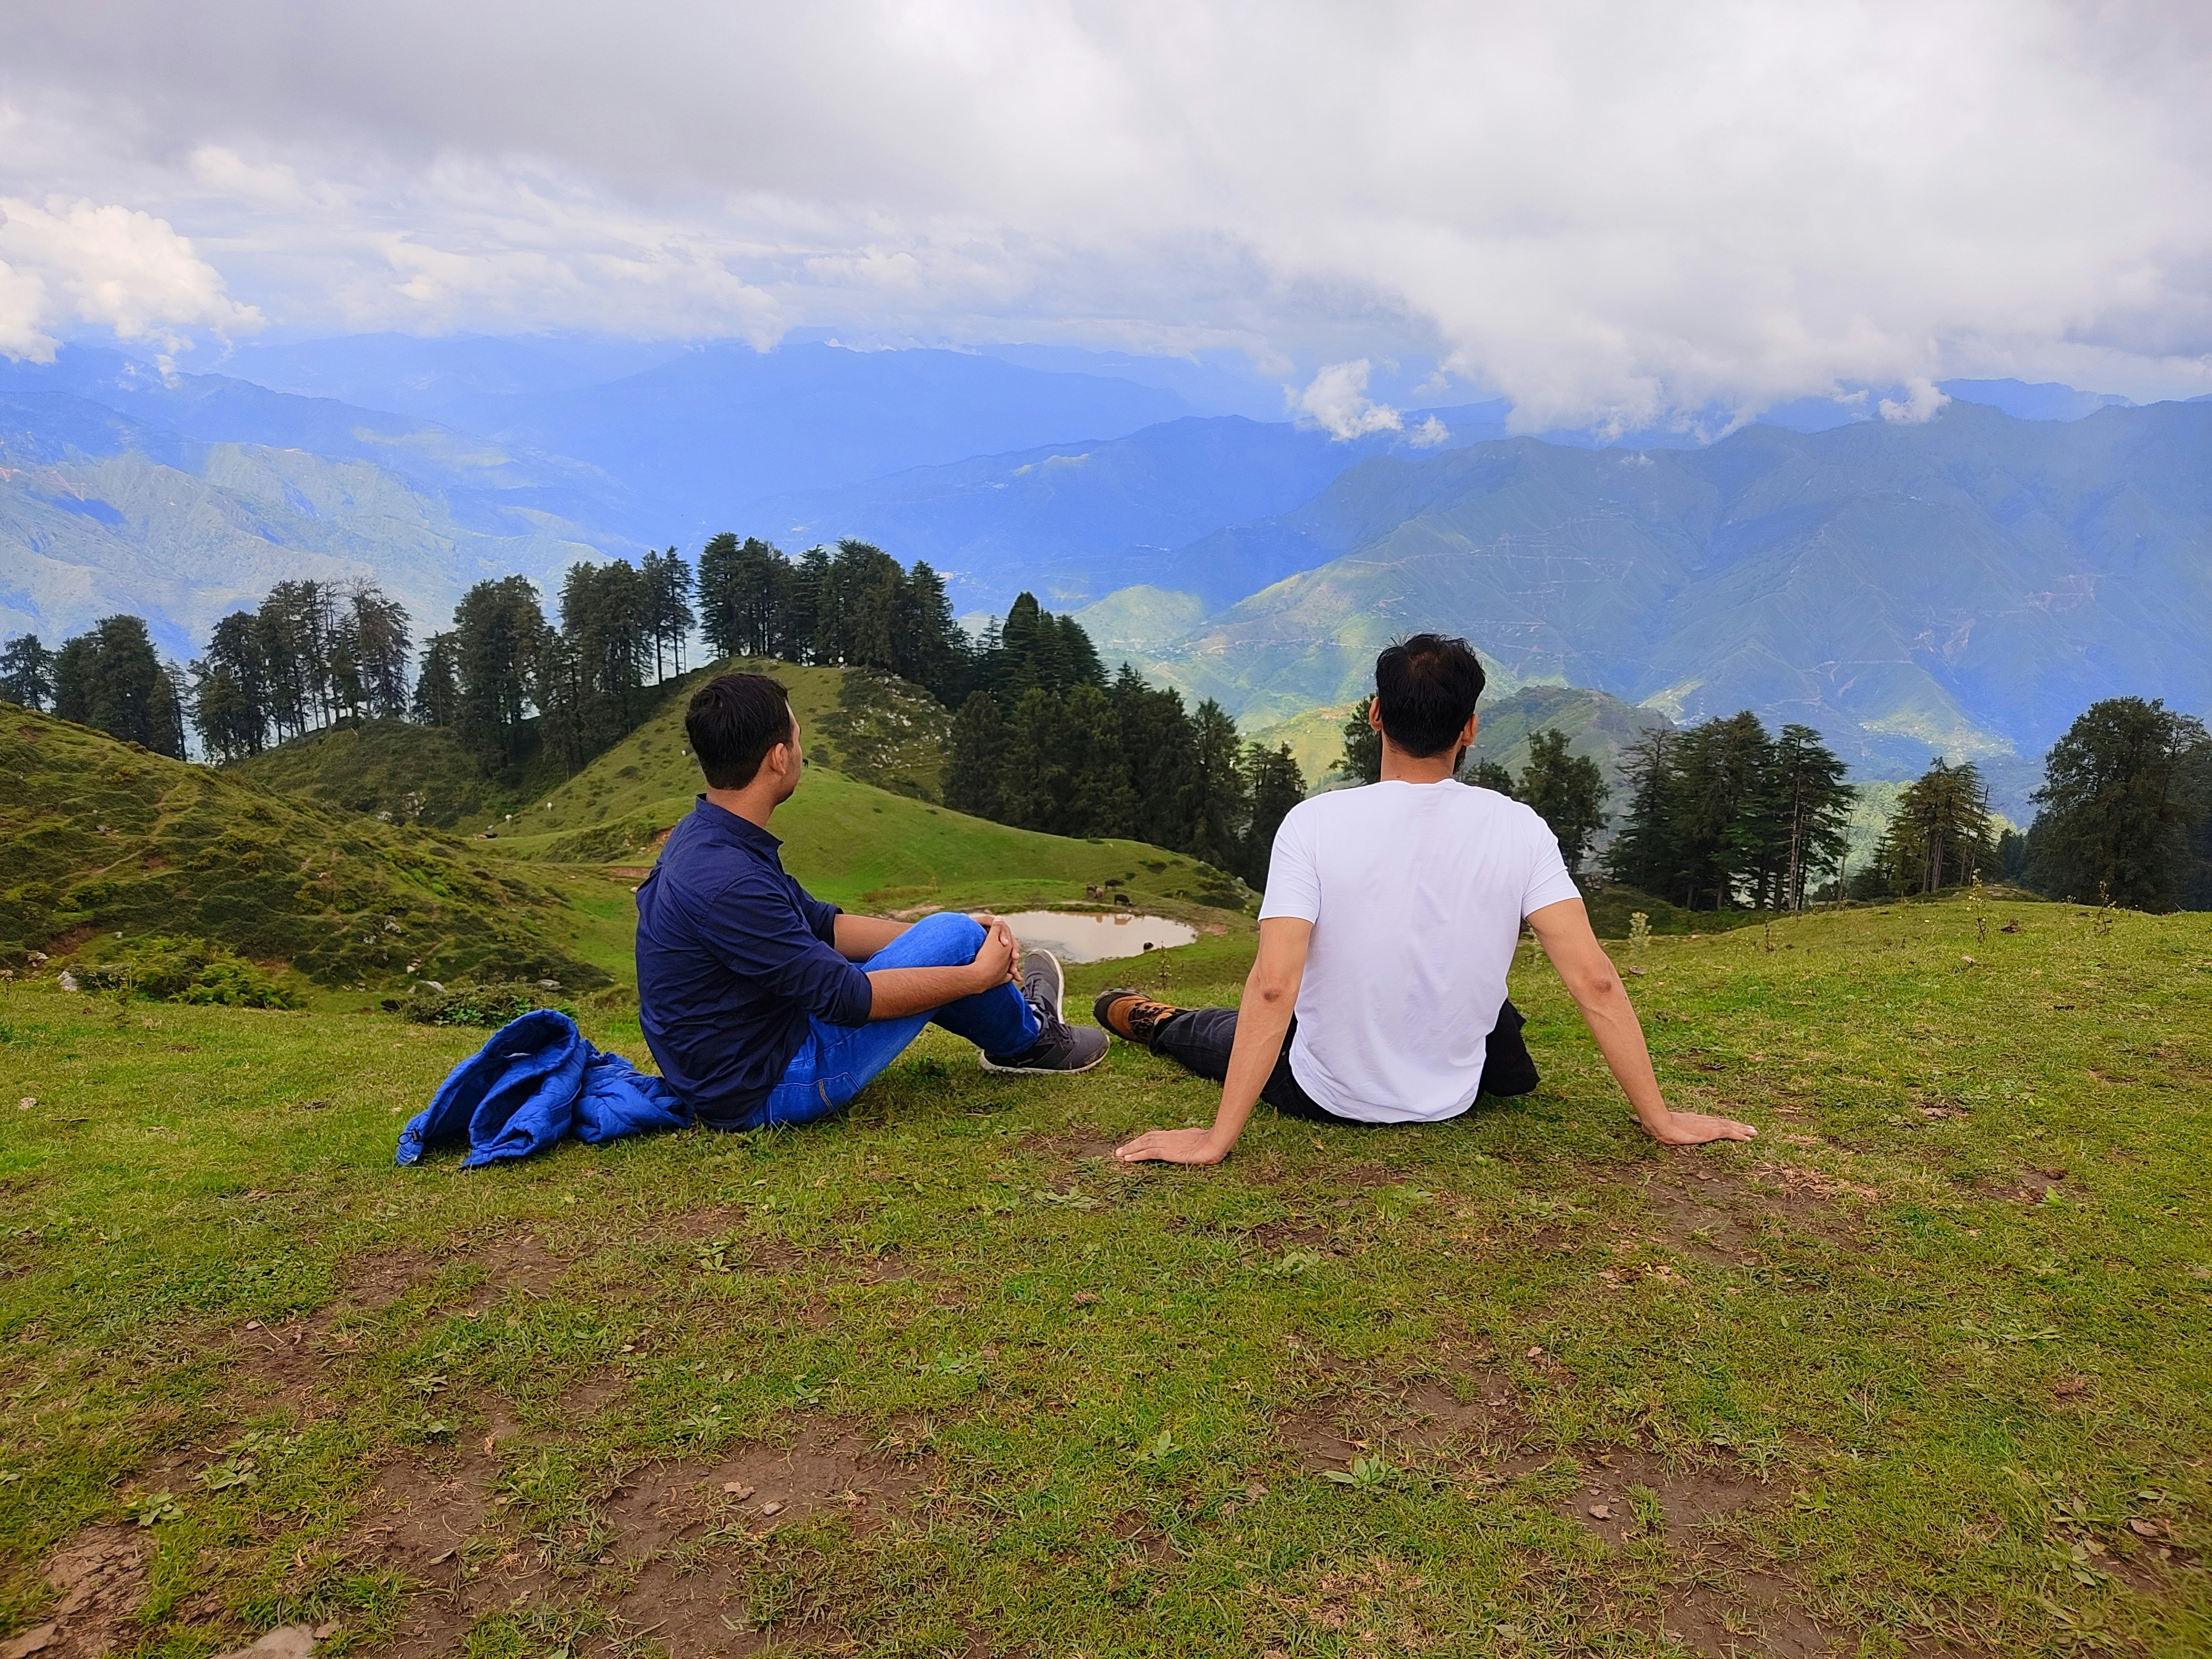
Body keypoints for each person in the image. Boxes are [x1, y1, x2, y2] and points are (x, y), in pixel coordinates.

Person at [1106, 633, 1757, 1164]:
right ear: (1470, 728)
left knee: (1213, 1031)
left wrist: (1217, 1141)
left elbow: (1274, 986)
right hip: (1454, 1095)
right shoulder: (1520, 827)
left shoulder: (1314, 822)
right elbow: (1595, 981)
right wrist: (1661, 1119)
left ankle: (1134, 1012)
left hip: (1328, 1093)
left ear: (1375, 714)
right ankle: (1146, 1011)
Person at [636, 672, 1105, 1131]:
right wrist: (974, 975)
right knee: (956, 934)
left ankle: (1017, 1018)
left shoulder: (708, 836)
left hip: (734, 1068)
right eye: (798, 740)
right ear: (779, 757)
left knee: (954, 932)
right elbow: (847, 999)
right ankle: (1031, 1041)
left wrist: (939, 941)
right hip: (767, 1087)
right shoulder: (730, 882)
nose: (801, 752)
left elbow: (823, 926)